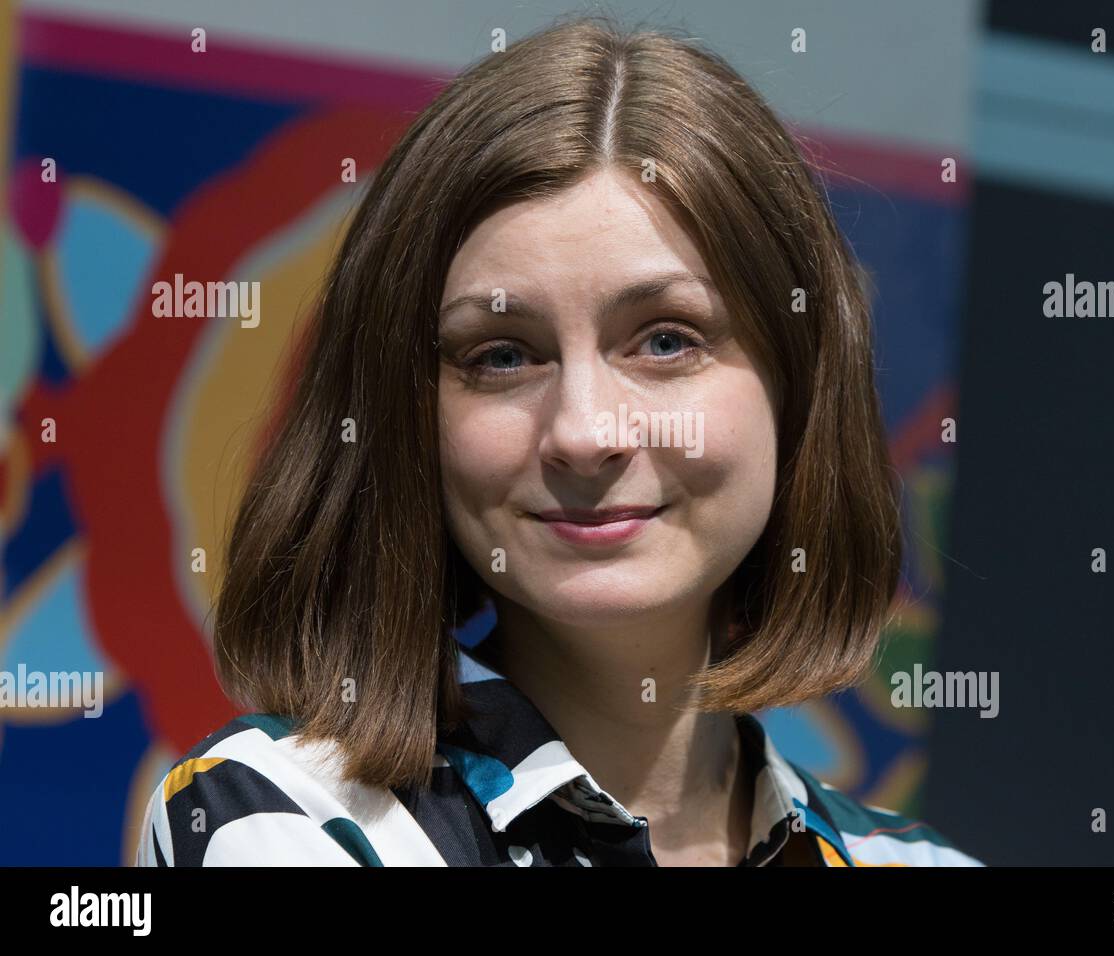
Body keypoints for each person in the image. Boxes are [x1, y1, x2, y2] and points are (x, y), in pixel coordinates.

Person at [135, 13, 982, 867]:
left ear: (798, 389)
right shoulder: (278, 816)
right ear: (405, 420)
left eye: (665, 340)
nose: (585, 432)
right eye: (501, 356)